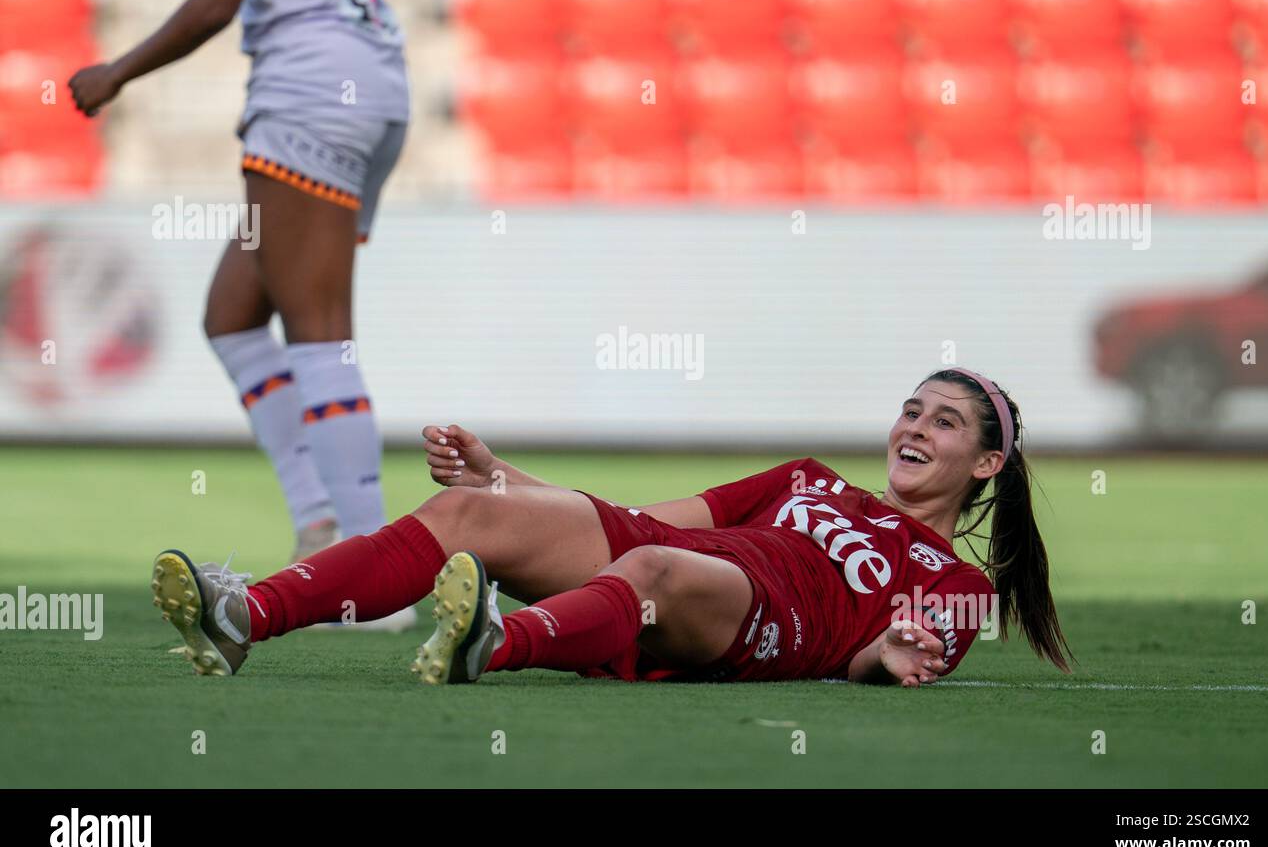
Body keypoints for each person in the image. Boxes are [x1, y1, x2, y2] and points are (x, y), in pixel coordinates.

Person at [150, 368, 1075, 685]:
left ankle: (495, 645)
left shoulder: (956, 585)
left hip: (754, 620)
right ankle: (246, 616)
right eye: (912, 410)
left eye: (943, 422)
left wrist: (890, 658)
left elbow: (882, 660)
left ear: (987, 464)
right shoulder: (807, 478)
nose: (913, 428)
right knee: (473, 516)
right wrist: (501, 478)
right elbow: (634, 520)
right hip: (673, 560)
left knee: (658, 574)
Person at [71, 0, 415, 629]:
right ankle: (321, 528)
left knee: (320, 335)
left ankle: (367, 576)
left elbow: (217, 1)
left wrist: (116, 73)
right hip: (368, 75)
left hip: (308, 90)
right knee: (232, 317)